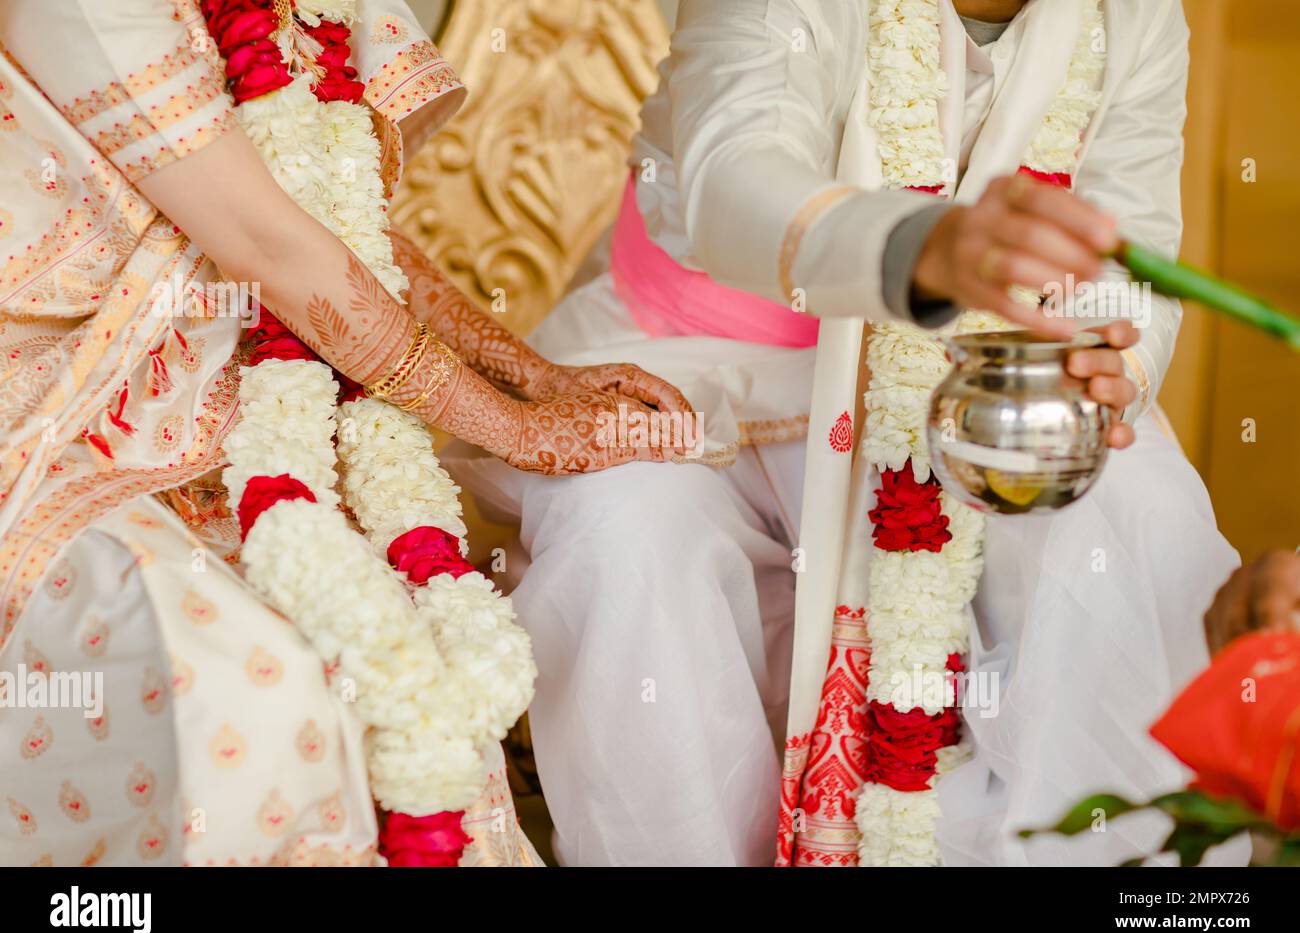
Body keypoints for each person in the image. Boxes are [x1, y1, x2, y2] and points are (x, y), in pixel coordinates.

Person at [444, 0, 1241, 866]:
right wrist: (915, 247)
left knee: (1144, 513)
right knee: (626, 528)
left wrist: (1107, 358)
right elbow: (734, 170)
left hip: (967, 378)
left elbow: (1130, 244)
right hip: (698, 371)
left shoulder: (1136, 15)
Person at [0, 0, 685, 866]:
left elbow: (338, 218)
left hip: (247, 426)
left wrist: (535, 375)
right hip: (66, 431)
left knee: (407, 680)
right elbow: (270, 243)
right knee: (258, 695)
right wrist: (519, 426)